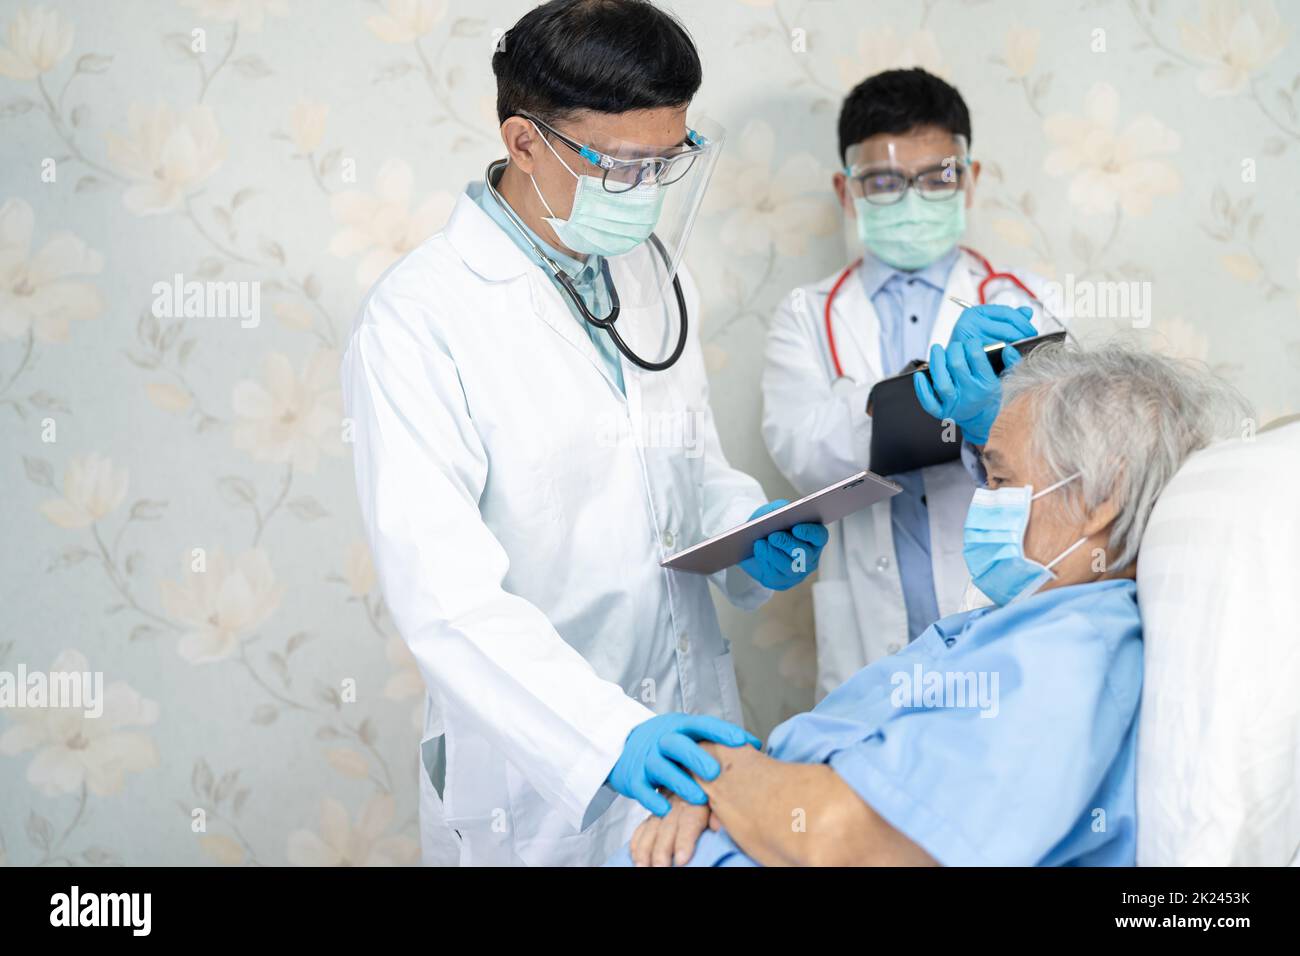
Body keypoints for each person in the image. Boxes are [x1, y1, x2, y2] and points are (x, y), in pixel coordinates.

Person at [341, 0, 826, 867]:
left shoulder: (651, 276)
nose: (644, 191)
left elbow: (688, 470)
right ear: (525, 142)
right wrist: (609, 736)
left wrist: (746, 531)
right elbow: (446, 600)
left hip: (688, 730)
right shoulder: (420, 317)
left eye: (667, 161)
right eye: (621, 166)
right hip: (539, 783)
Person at [615, 343, 1249, 866]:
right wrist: (729, 788)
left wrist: (718, 772)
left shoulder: (1069, 656)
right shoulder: (1023, 624)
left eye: (999, 481)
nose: (984, 502)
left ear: (1101, 494)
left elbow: (846, 841)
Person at [762, 68, 1062, 699]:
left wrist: (991, 425)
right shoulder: (805, 315)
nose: (912, 197)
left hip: (1003, 622)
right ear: (848, 192)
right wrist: (910, 403)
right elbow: (803, 453)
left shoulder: (1026, 305)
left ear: (970, 180)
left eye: (938, 176)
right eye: (884, 181)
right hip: (870, 645)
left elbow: (1069, 462)